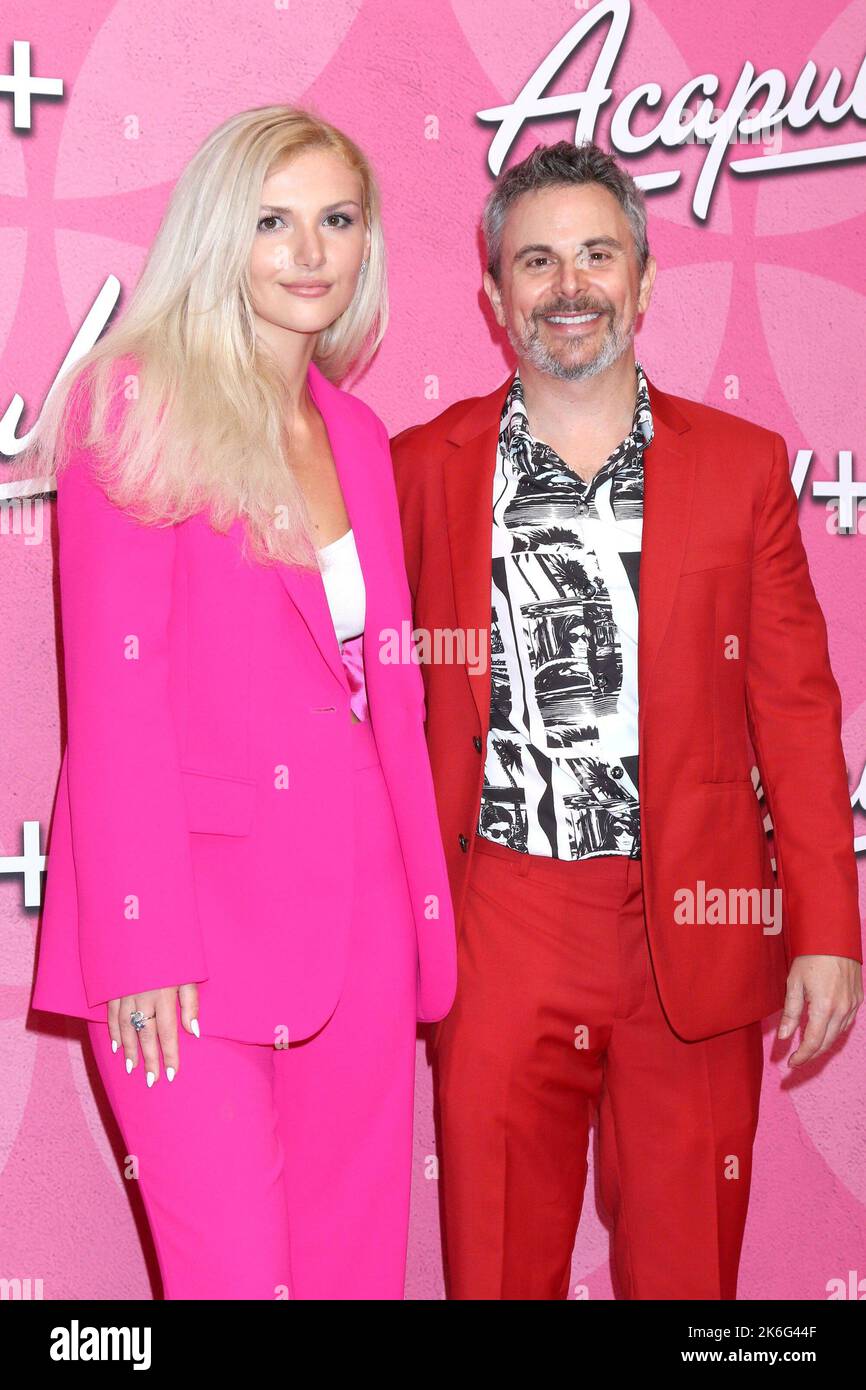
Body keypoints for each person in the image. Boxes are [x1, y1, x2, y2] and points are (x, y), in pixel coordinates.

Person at [389, 139, 863, 1300]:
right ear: (494, 297)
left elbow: (794, 710)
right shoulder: (419, 469)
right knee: (497, 1263)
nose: (568, 286)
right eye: (535, 261)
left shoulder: (742, 466)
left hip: (692, 916)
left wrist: (825, 926)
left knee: (688, 1273)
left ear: (644, 282)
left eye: (596, 255)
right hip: (501, 910)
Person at [22, 105, 456, 1300]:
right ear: (221, 232)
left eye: (336, 220)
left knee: (351, 1273)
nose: (309, 251)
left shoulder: (359, 436)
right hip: (185, 935)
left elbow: (386, 700)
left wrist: (425, 924)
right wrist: (141, 940)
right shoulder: (133, 403)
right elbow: (113, 700)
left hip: (363, 923)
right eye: (273, 221)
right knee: (233, 1278)